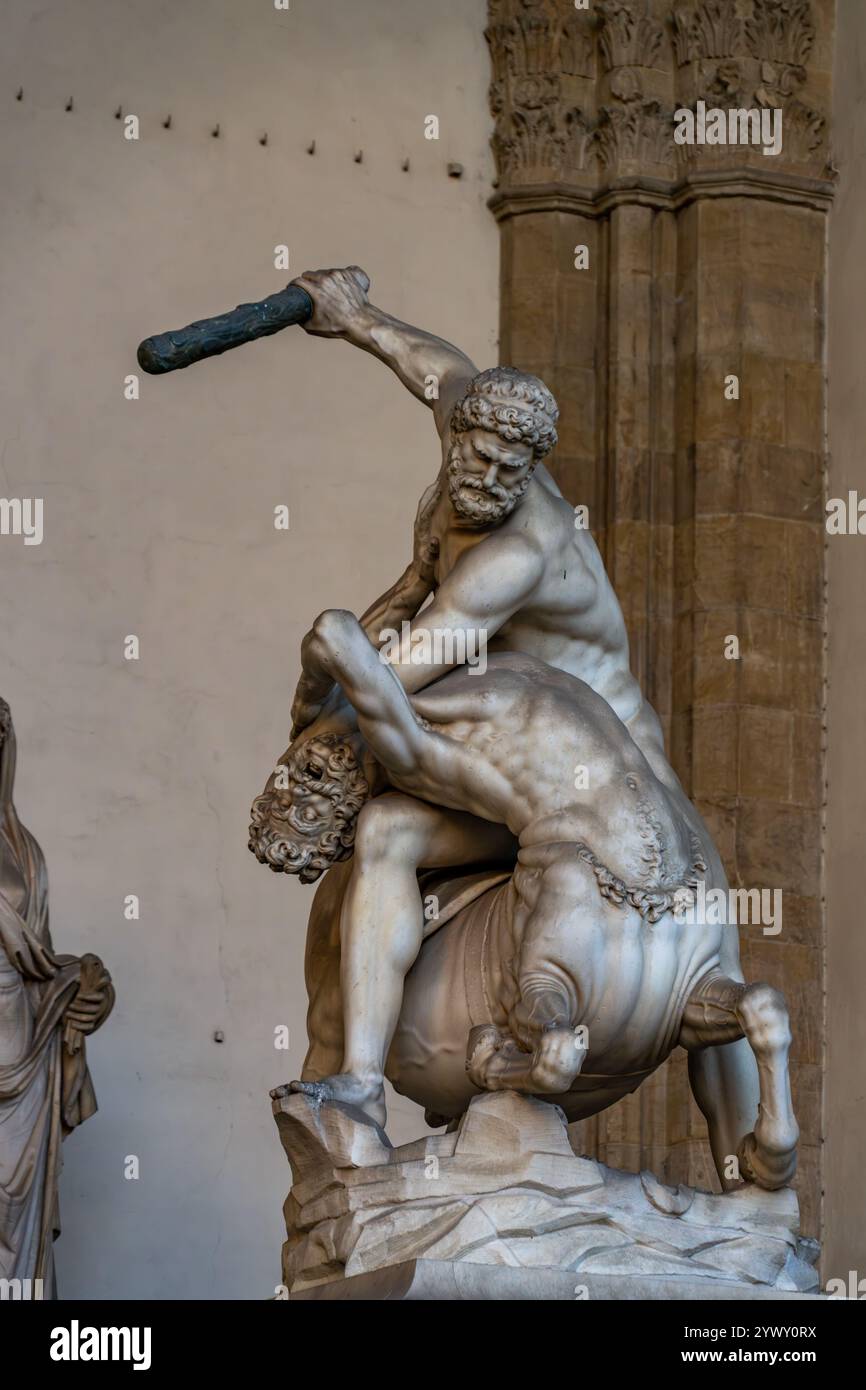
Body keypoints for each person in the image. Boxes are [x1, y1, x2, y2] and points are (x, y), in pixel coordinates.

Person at [0, 698, 114, 1293]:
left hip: (26, 1050)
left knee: (19, 1221)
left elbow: (38, 968)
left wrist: (86, 986)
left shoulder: (24, 852)